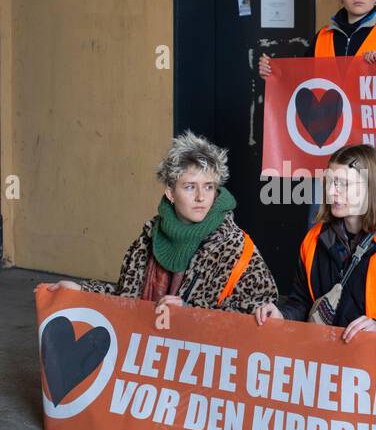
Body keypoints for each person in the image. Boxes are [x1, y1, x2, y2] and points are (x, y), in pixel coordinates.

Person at [48, 131, 278, 314]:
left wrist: (189, 314)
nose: (201, 197)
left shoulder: (234, 244)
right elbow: (126, 298)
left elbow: (263, 311)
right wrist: (81, 290)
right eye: (190, 187)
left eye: (209, 186)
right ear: (170, 192)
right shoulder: (149, 237)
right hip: (149, 358)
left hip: (204, 362)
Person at [259, 0, 376, 222]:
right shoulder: (322, 37)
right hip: (327, 156)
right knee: (322, 227)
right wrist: (275, 73)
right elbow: (301, 84)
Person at [254, 144, 376, 351]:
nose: (331, 192)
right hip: (327, 367)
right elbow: (303, 303)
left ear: (370, 188)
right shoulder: (313, 240)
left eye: (343, 184)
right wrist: (283, 315)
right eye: (329, 182)